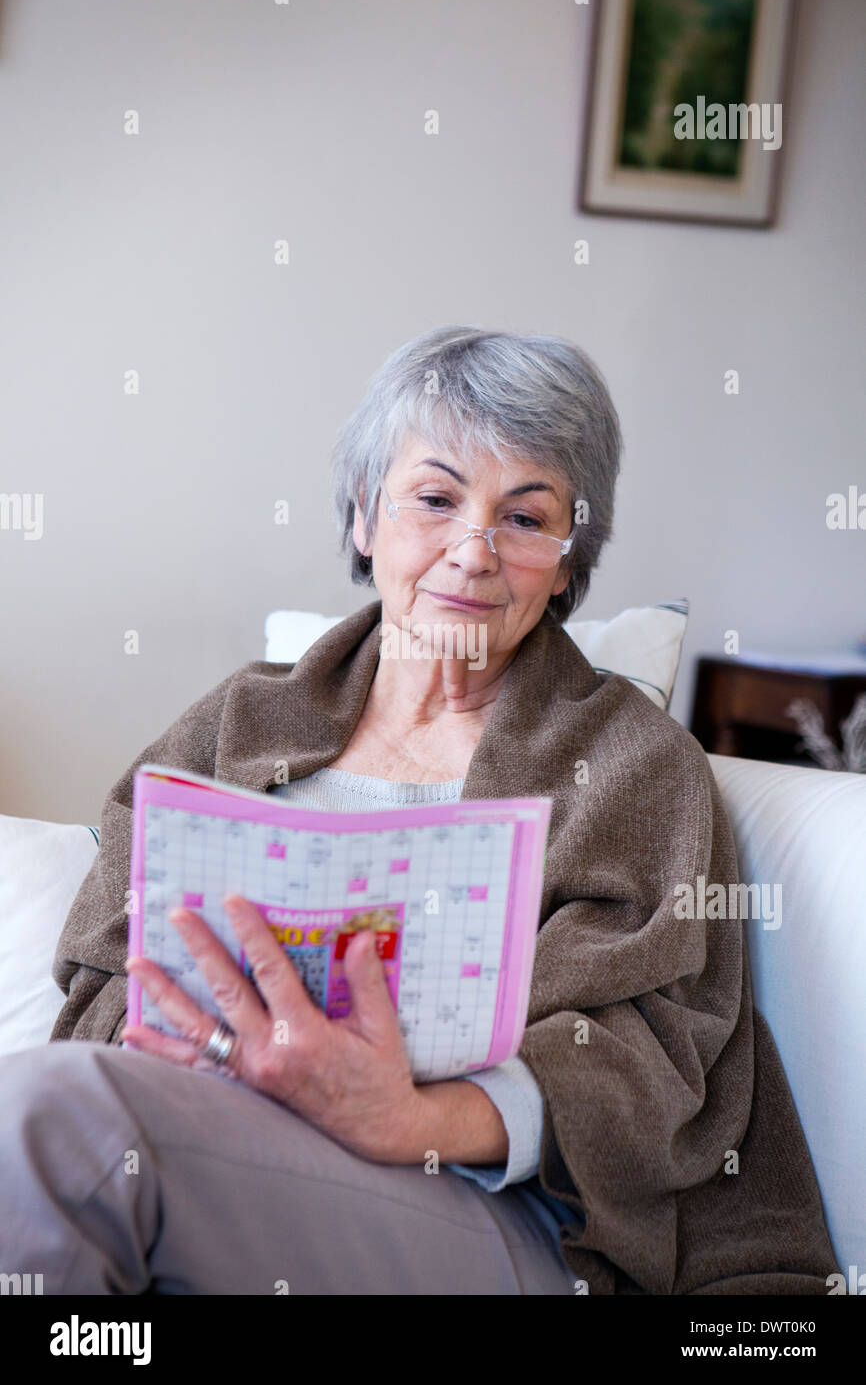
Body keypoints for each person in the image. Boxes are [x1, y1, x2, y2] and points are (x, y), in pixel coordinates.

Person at [0, 326, 839, 1295]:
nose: (472, 553)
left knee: (51, 1122)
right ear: (364, 517)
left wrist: (412, 1117)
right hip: (215, 1140)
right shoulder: (237, 723)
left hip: (500, 1212)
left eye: (524, 519)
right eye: (434, 499)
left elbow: (654, 1052)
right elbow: (102, 968)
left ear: (567, 561)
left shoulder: (633, 761)